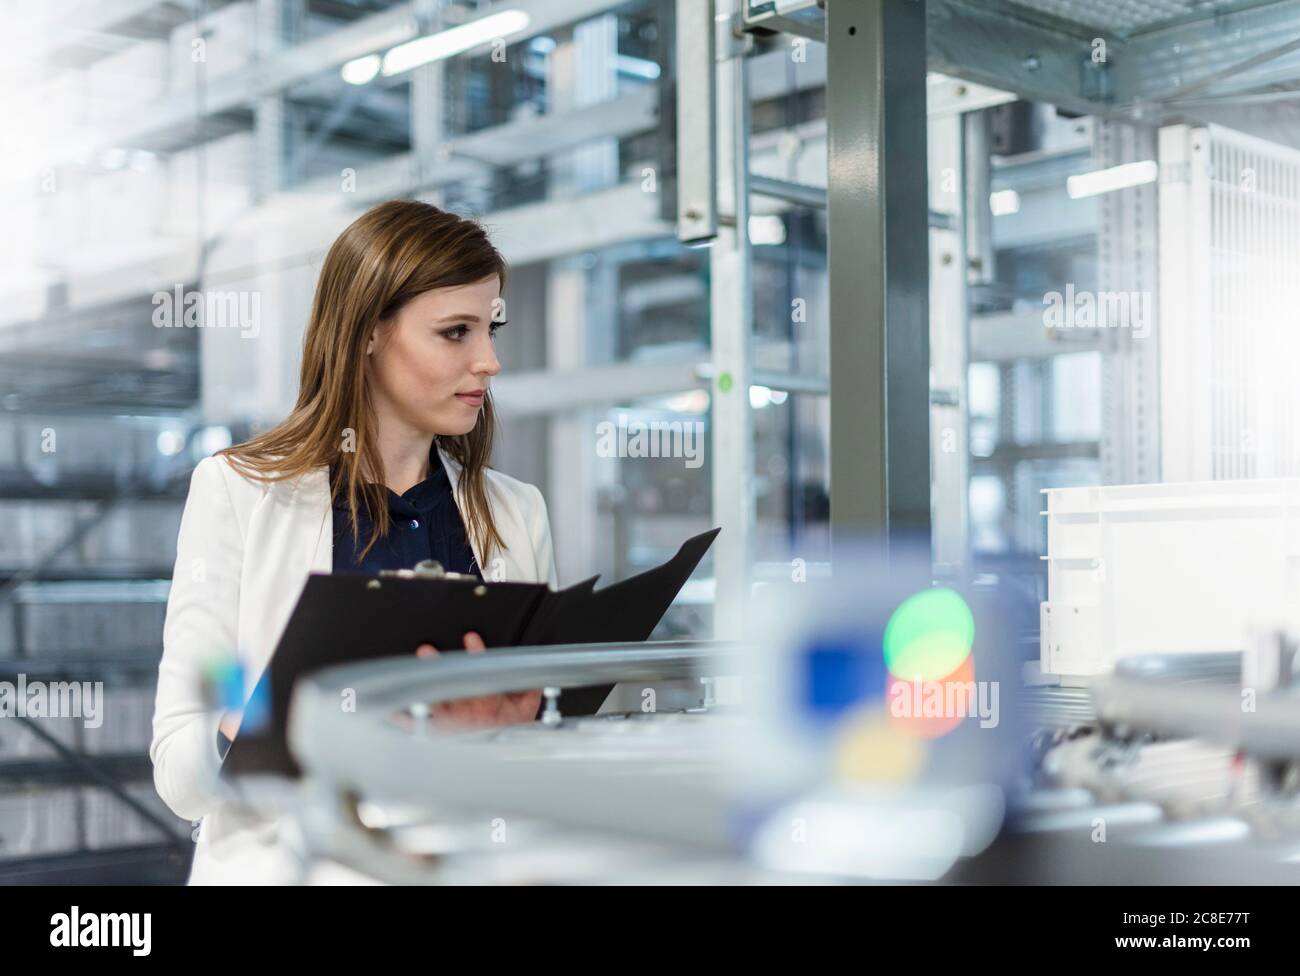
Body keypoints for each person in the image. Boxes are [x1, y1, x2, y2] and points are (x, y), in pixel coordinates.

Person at [150, 199, 556, 884]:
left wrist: (515, 726)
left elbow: (540, 745)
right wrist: (264, 719)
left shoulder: (516, 513)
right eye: (455, 332)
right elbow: (178, 766)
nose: (487, 360)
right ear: (368, 332)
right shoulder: (238, 493)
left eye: (491, 328)